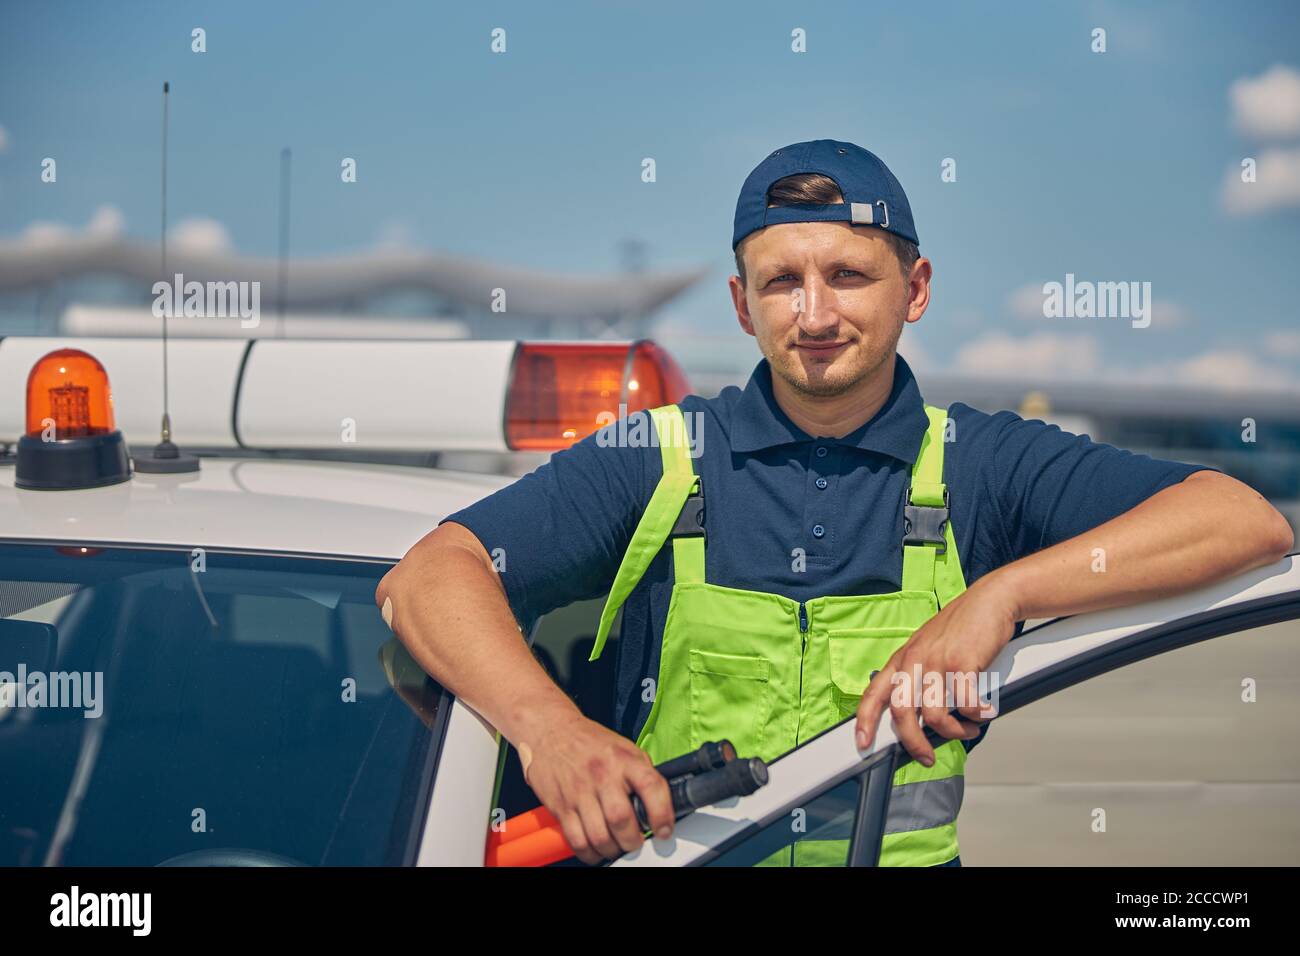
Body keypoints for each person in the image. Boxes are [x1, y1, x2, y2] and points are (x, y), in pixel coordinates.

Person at [376, 139, 1293, 866]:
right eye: (782, 282)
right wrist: (550, 732)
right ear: (741, 305)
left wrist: (1002, 596)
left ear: (917, 289)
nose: (814, 315)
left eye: (849, 276)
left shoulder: (978, 462)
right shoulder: (655, 455)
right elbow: (428, 577)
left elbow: (1242, 519)